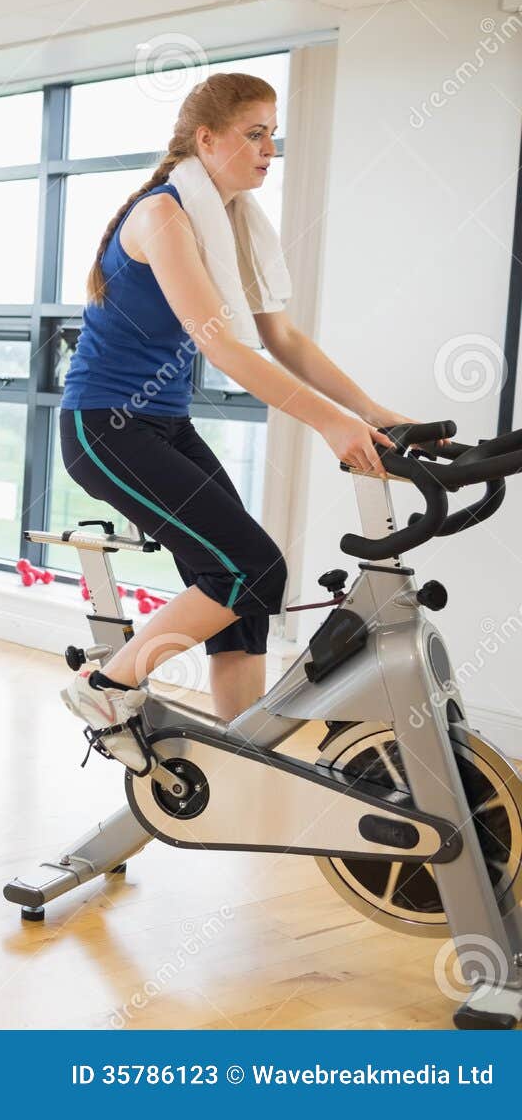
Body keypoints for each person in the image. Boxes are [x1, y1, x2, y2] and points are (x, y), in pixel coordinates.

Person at [57, 72, 424, 772]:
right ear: (206, 138)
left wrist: (374, 414)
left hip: (159, 424)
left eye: (272, 135)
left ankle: (242, 751)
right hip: (105, 427)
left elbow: (283, 341)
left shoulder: (229, 222)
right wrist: (328, 425)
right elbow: (220, 343)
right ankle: (105, 687)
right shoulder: (163, 215)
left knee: (249, 588)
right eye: (254, 133)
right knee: (254, 568)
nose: (268, 150)